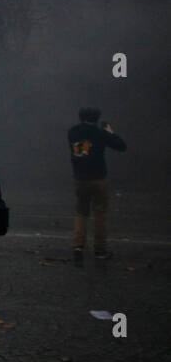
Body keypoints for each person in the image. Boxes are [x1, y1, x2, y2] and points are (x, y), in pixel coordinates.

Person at [67, 107, 126, 263]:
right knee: (100, 213)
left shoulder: (72, 132)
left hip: (80, 178)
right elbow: (121, 146)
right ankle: (99, 249)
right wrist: (110, 132)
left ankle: (78, 245)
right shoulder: (100, 133)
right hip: (98, 178)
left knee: (81, 212)